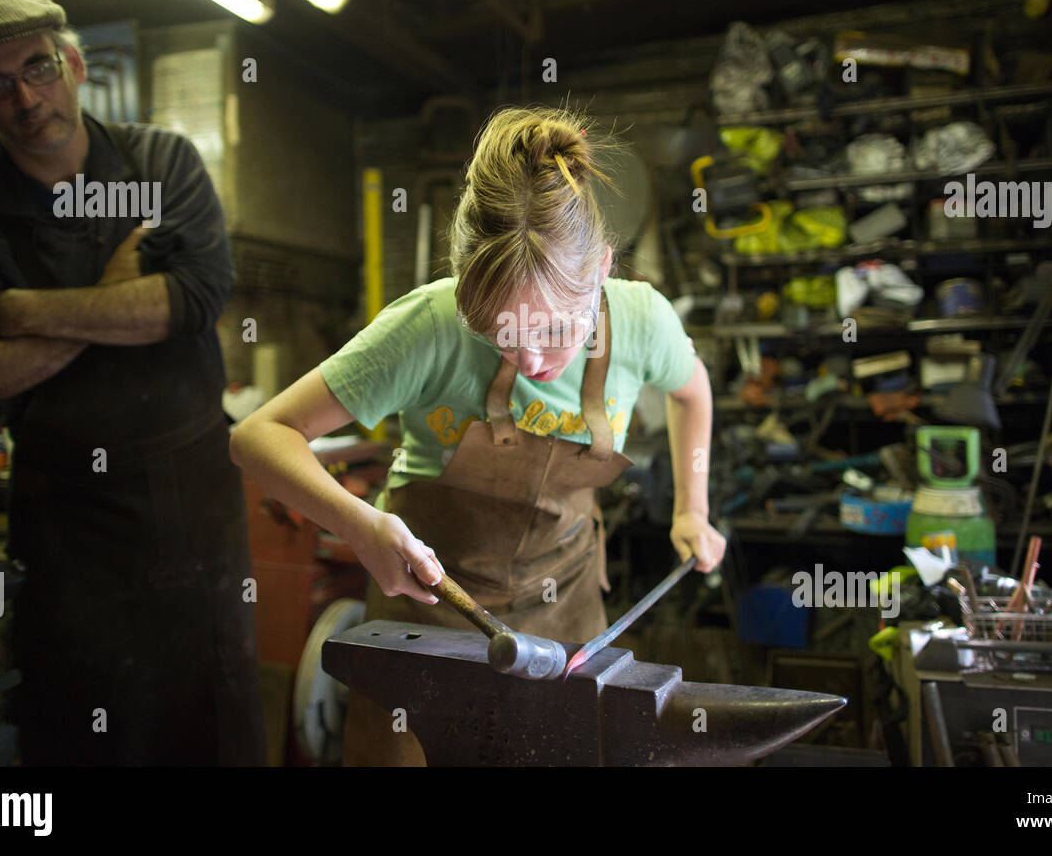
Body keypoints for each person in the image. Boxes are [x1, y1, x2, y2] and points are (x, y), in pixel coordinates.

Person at [230, 106, 725, 765]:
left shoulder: (641, 322)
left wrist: (693, 508)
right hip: (426, 610)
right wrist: (359, 525)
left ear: (604, 266)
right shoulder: (430, 325)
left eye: (557, 330)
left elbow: (692, 390)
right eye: (499, 333)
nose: (532, 359)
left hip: (566, 604)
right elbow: (259, 435)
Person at [0, 0, 265, 765]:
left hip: (195, 507)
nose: (26, 99)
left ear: (73, 63)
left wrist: (23, 312)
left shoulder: (160, 163)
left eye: (37, 67)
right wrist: (112, 303)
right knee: (81, 736)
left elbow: (190, 302)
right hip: (63, 522)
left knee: (212, 732)